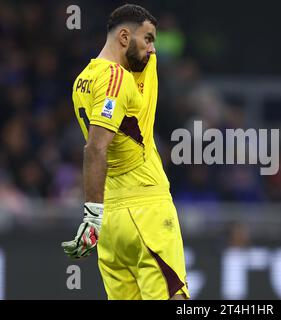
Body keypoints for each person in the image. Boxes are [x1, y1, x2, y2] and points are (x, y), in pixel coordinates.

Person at [61, 4, 189, 300]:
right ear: (123, 37)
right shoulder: (116, 80)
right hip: (145, 209)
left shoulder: (83, 79)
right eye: (147, 39)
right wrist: (90, 215)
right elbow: (95, 147)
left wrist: (97, 218)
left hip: (112, 220)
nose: (152, 49)